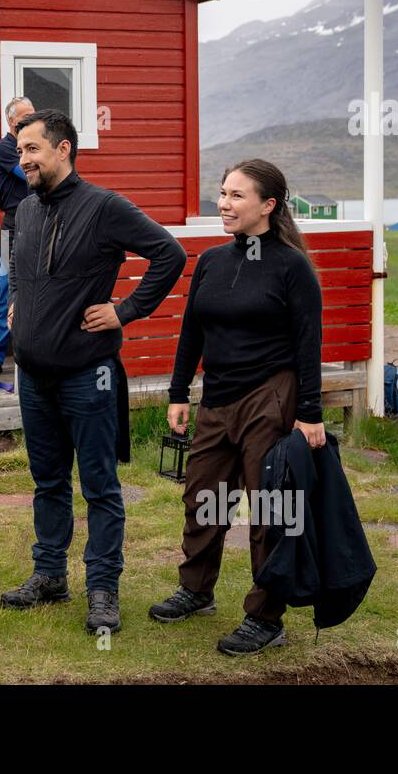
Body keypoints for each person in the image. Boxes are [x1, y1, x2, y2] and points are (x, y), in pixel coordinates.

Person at [0, 109, 186, 634]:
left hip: (89, 375)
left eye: (33, 149)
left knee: (100, 486)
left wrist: (124, 311)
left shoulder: (104, 207)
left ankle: (103, 589)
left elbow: (168, 253)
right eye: (20, 151)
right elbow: (20, 261)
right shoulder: (28, 209)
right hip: (34, 376)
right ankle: (50, 574)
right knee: (48, 481)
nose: (24, 159)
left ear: (63, 149)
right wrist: (16, 303)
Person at [152, 158, 325, 656]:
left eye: (236, 196)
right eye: (222, 194)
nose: (224, 204)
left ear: (268, 205)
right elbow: (193, 330)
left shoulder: (292, 267)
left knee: (270, 508)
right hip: (216, 397)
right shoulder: (211, 261)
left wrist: (309, 413)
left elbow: (308, 343)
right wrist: (179, 391)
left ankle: (266, 616)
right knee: (203, 497)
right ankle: (196, 589)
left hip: (270, 397)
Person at [0, 96, 34, 378]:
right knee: (5, 290)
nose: (31, 120)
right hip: (12, 226)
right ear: (12, 121)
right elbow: (28, 173)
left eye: (33, 115)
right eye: (25, 117)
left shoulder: (36, 148)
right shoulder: (4, 148)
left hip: (38, 221)